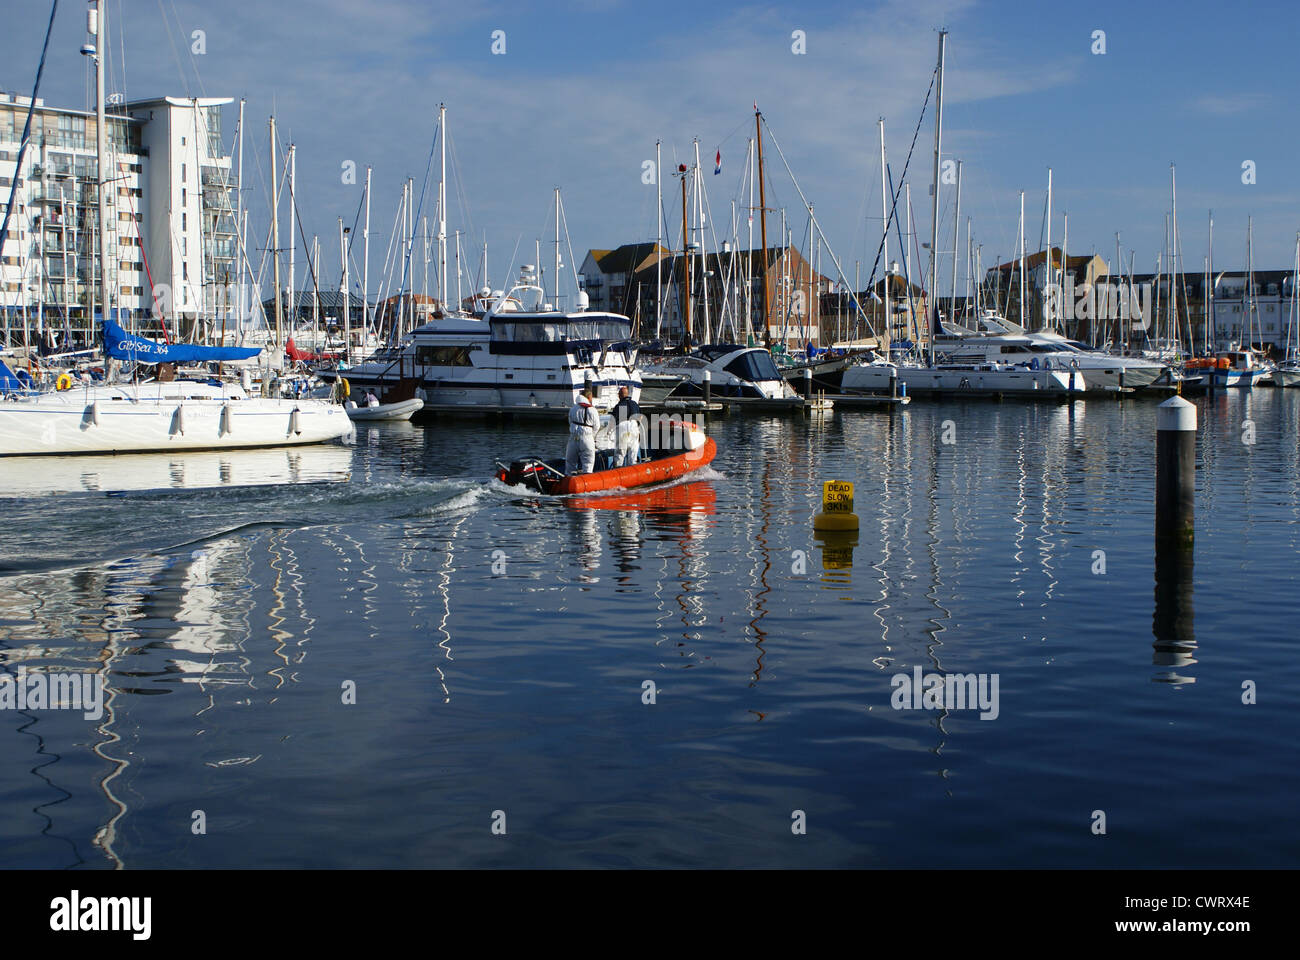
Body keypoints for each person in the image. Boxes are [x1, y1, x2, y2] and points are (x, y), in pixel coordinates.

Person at [565, 387, 599, 475]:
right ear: (588, 398)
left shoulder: (573, 409)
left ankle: (569, 480)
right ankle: (586, 481)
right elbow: (597, 426)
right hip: (587, 437)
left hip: (573, 437)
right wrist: (592, 436)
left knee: (570, 462)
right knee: (588, 463)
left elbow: (570, 422)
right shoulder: (592, 410)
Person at [612, 386, 642, 467]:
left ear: (620, 395)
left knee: (620, 454)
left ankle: (617, 471)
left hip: (622, 427)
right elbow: (640, 417)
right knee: (633, 454)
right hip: (634, 427)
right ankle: (633, 473)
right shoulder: (635, 404)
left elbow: (613, 420)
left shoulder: (618, 406)